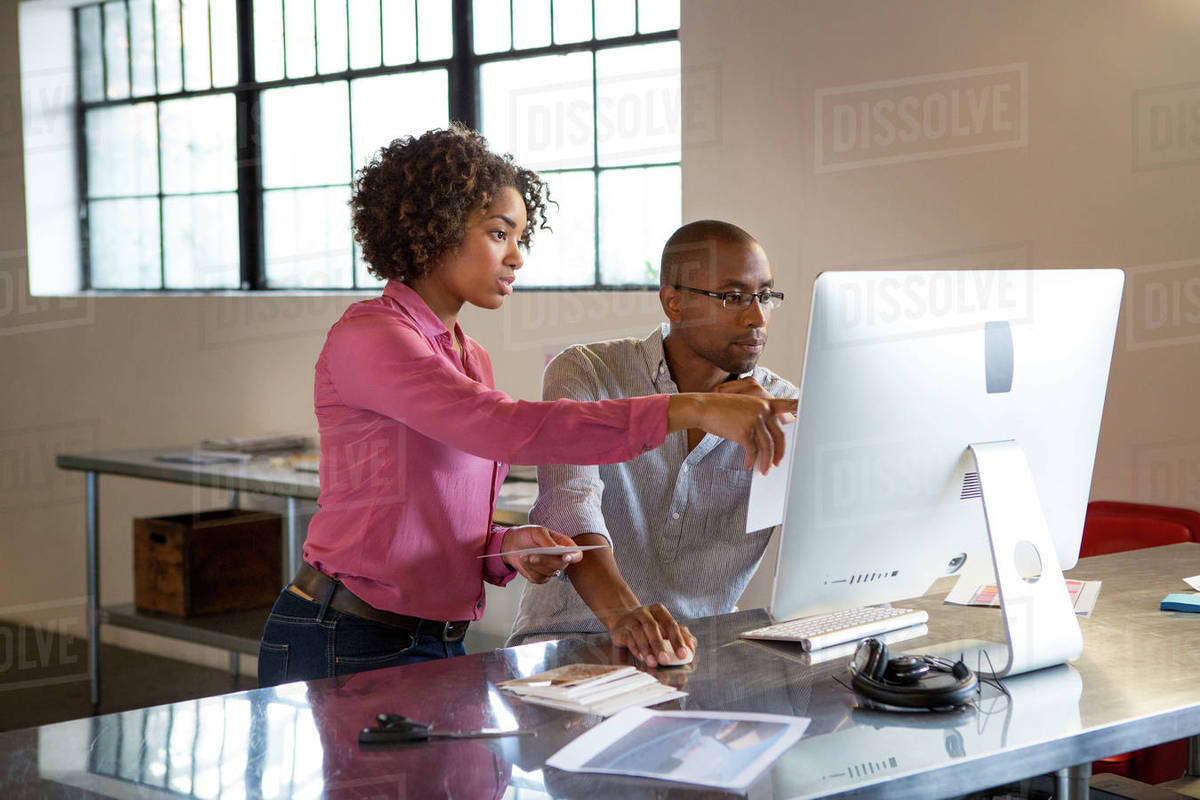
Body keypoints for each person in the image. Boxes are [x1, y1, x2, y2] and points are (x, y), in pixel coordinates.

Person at [256, 127, 796, 687]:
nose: (517, 256)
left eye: (522, 237)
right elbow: (504, 428)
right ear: (432, 231)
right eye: (498, 234)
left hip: (438, 640)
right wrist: (691, 409)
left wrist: (505, 547)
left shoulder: (471, 357)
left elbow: (439, 519)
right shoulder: (371, 336)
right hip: (345, 633)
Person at [507, 220, 797, 666]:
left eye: (766, 296)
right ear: (674, 302)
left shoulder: (783, 409)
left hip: (699, 655)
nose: (757, 316)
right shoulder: (588, 371)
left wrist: (804, 441)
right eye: (734, 297)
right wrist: (626, 616)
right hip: (571, 646)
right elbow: (572, 507)